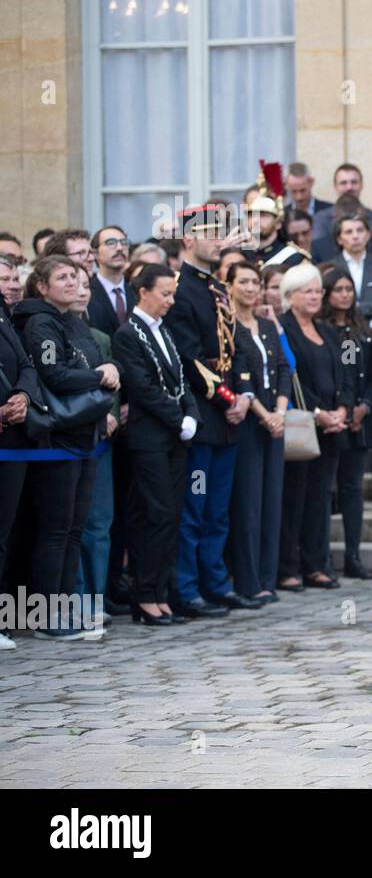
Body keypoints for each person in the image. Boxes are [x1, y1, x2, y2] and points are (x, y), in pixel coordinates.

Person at [12, 256, 120, 639]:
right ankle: (44, 616)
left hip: (84, 436)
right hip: (57, 440)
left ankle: (64, 609)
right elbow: (50, 372)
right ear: (42, 286)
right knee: (56, 530)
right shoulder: (40, 322)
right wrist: (98, 376)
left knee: (74, 529)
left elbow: (93, 361)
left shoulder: (74, 321)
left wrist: (105, 372)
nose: (75, 284)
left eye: (76, 277)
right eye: (63, 278)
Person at [164, 204, 262, 619]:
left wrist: (242, 393)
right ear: (188, 240)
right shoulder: (180, 289)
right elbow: (190, 359)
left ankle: (216, 582)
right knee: (195, 508)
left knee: (217, 510)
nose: (219, 240)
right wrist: (226, 399)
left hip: (226, 421)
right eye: (209, 232)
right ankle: (187, 589)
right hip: (202, 420)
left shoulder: (215, 288)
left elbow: (234, 347)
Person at [113, 264, 198, 625]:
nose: (170, 300)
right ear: (143, 291)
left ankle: (160, 593)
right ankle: (144, 594)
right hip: (148, 437)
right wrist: (178, 419)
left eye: (172, 293)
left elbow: (182, 376)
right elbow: (143, 388)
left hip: (174, 437)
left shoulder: (164, 330)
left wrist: (191, 413)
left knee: (172, 513)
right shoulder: (128, 334)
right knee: (154, 512)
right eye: (164, 293)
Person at [278, 262, 351, 590]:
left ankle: (316, 564)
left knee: (321, 498)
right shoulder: (283, 329)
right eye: (307, 291)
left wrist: (341, 409)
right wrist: (319, 411)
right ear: (289, 295)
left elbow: (344, 373)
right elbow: (290, 378)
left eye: (318, 291)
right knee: (295, 498)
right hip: (301, 425)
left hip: (331, 426)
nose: (315, 296)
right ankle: (288, 567)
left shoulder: (327, 330)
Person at [226, 261, 291, 602]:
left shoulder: (267, 325)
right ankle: (248, 581)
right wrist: (265, 415)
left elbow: (282, 368)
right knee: (248, 504)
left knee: (271, 501)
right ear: (230, 285)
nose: (252, 288)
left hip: (274, 422)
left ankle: (268, 577)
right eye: (244, 282)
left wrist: (280, 412)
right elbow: (239, 376)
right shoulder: (227, 326)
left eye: (256, 282)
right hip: (249, 422)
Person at [321, 268, 372, 579]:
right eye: (338, 289)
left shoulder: (363, 331)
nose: (344, 294)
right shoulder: (321, 328)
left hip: (359, 419)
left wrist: (364, 408)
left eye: (349, 289)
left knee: (352, 489)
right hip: (330, 419)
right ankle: (322, 558)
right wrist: (340, 411)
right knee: (326, 489)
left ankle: (353, 555)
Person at [71, 266, 120, 629]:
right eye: (71, 283)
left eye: (85, 285)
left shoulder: (100, 337)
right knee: (70, 523)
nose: (81, 291)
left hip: (101, 438)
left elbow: (113, 383)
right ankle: (74, 598)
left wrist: (111, 413)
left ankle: (97, 598)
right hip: (68, 437)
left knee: (99, 522)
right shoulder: (42, 331)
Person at [0, 273, 38, 649]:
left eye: (13, 278)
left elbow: (27, 364)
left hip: (12, 436)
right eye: (3, 278)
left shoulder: (4, 316)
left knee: (3, 531)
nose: (10, 284)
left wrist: (23, 396)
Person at [310, 163, 372, 260]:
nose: (349, 187)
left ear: (361, 185)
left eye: (354, 182)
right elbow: (321, 251)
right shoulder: (320, 219)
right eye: (343, 183)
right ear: (335, 186)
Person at [328, 213, 372, 324]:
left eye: (360, 230)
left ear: (368, 235)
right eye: (349, 232)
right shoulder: (331, 267)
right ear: (339, 239)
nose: (355, 236)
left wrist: (357, 307)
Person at [86, 225, 134, 336]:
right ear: (95, 253)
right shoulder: (87, 293)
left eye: (124, 242)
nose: (119, 248)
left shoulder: (137, 292)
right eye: (111, 243)